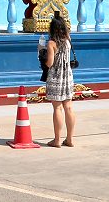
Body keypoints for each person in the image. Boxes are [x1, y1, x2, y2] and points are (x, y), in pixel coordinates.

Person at [44, 12, 76, 147]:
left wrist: (43, 56)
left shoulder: (51, 43)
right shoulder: (68, 40)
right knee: (68, 107)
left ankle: (57, 140)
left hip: (56, 76)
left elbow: (50, 63)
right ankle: (69, 139)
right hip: (67, 75)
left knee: (57, 108)